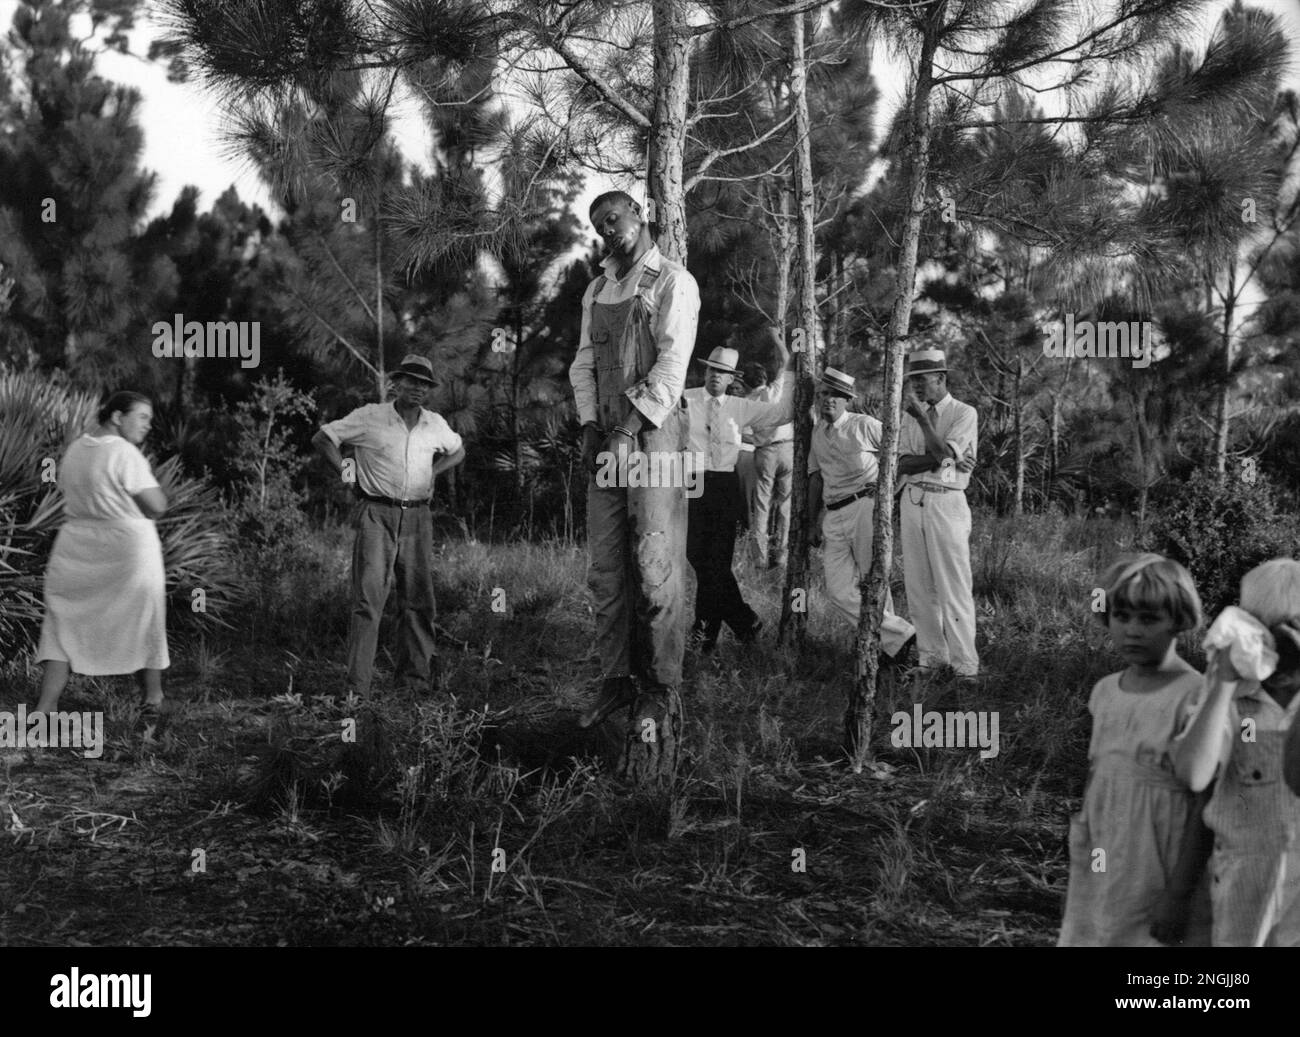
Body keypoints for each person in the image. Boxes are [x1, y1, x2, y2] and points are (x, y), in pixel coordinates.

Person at [570, 190, 700, 729]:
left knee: (654, 565)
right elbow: (582, 364)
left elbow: (671, 367)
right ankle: (616, 679)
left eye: (615, 219)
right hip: (606, 442)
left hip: (654, 441)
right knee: (606, 570)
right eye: (600, 225)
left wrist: (627, 428)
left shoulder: (673, 280)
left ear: (640, 215)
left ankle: (662, 686)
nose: (609, 230)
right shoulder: (598, 289)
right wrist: (588, 426)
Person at [1058, 554, 1212, 946]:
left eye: (1148, 619)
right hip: (1104, 841)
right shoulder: (1106, 690)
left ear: (1177, 619)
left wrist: (1178, 895)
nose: (1132, 631)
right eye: (1121, 617)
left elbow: (1202, 802)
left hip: (1158, 850)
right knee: (1093, 929)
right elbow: (1098, 773)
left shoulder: (1194, 695)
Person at [312, 354, 465, 698]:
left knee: (418, 602)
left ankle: (414, 685)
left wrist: (434, 474)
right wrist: (347, 473)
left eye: (424, 383)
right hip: (377, 515)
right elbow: (323, 438)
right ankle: (357, 691)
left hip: (418, 519)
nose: (417, 388)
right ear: (396, 383)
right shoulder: (371, 417)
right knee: (368, 602)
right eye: (410, 381)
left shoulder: (435, 424)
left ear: (429, 389)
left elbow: (458, 451)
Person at [1175, 558, 1300, 946]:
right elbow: (1195, 775)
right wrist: (1224, 685)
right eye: (1264, 634)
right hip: (1240, 886)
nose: (1279, 649)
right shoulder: (1232, 701)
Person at [34, 391, 171, 731]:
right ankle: (153, 700)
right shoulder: (126, 454)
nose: (147, 425)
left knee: (61, 624)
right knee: (145, 618)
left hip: (75, 547)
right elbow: (157, 505)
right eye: (141, 417)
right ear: (116, 417)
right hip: (127, 550)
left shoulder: (76, 449)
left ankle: (45, 709)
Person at [683, 337, 794, 653]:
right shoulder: (686, 399)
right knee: (697, 558)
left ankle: (703, 636)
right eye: (710, 371)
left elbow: (783, 413)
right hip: (693, 483)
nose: (715, 376)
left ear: (733, 378)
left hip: (724, 484)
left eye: (722, 372)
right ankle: (745, 621)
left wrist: (793, 367)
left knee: (717, 562)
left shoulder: (741, 406)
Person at [806, 368, 916, 660]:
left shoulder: (864, 425)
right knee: (838, 590)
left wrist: (888, 494)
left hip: (865, 507)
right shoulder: (818, 432)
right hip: (832, 514)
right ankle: (904, 636)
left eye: (836, 395)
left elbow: (901, 452)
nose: (828, 400)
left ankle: (888, 654)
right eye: (824, 394)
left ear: (847, 400)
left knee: (874, 579)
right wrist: (811, 522)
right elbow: (816, 478)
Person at [897, 349, 979, 681]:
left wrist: (935, 445)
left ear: (941, 379)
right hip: (913, 498)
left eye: (921, 379)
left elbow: (947, 457)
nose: (915, 386)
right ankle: (931, 659)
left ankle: (965, 667)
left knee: (953, 586)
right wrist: (941, 457)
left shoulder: (963, 413)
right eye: (912, 380)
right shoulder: (908, 415)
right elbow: (903, 463)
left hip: (947, 502)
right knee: (919, 586)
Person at [744, 360, 794, 569]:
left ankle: (760, 558)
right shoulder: (775, 390)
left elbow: (743, 433)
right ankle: (781, 554)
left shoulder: (747, 401)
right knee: (785, 505)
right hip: (786, 449)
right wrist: (780, 339)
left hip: (764, 452)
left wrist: (757, 439)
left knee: (761, 505)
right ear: (764, 378)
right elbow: (786, 362)